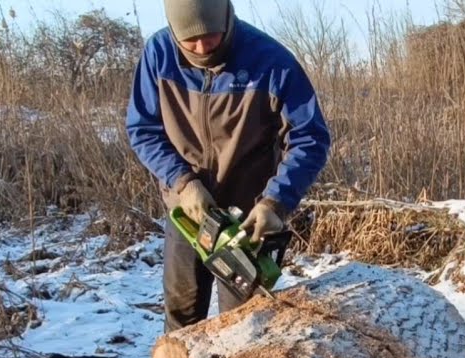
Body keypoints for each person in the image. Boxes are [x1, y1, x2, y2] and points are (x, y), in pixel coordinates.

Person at [126, 0, 331, 331]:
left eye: (212, 36)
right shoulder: (158, 55)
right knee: (181, 312)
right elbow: (143, 130)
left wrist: (275, 202)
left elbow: (310, 138)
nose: (203, 47)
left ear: (227, 17)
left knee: (242, 325)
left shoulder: (271, 61)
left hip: (248, 217)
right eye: (190, 41)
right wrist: (182, 181)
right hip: (189, 212)